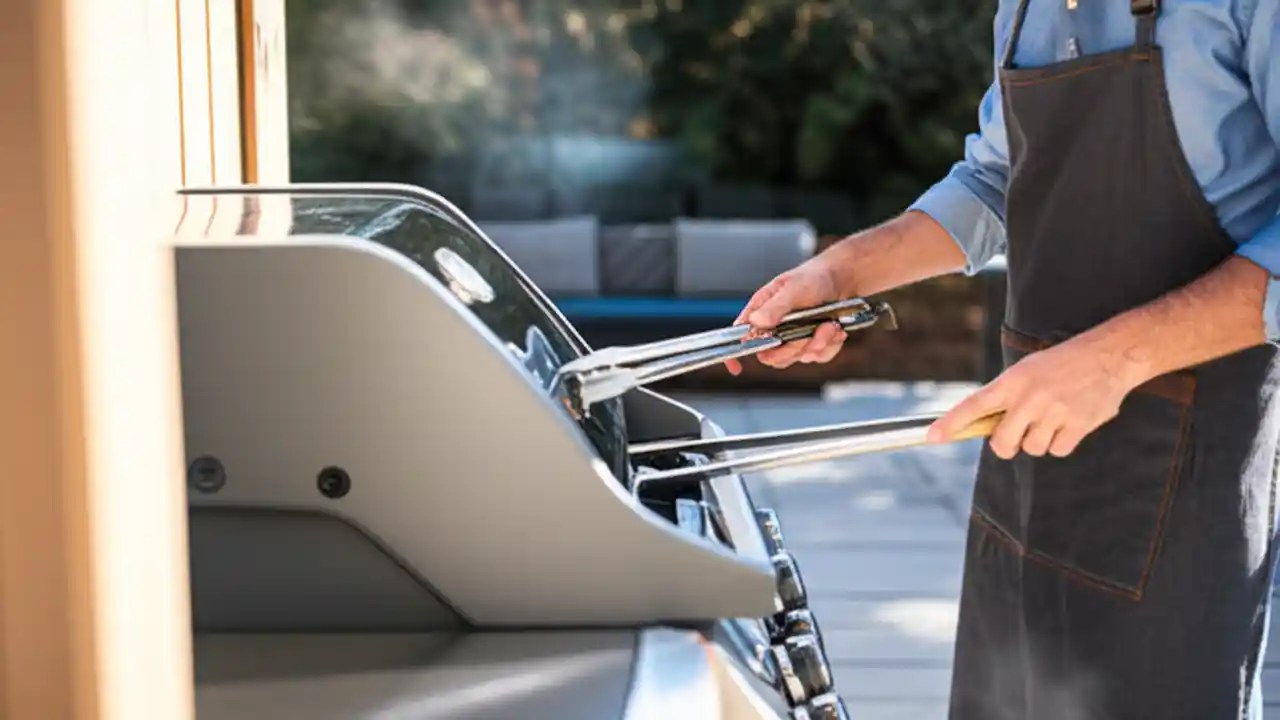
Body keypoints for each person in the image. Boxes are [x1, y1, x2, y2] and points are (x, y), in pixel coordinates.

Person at [728, 0, 1280, 717]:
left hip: (1185, 490)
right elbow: (994, 180)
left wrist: (1112, 361)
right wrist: (845, 272)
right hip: (1023, 488)